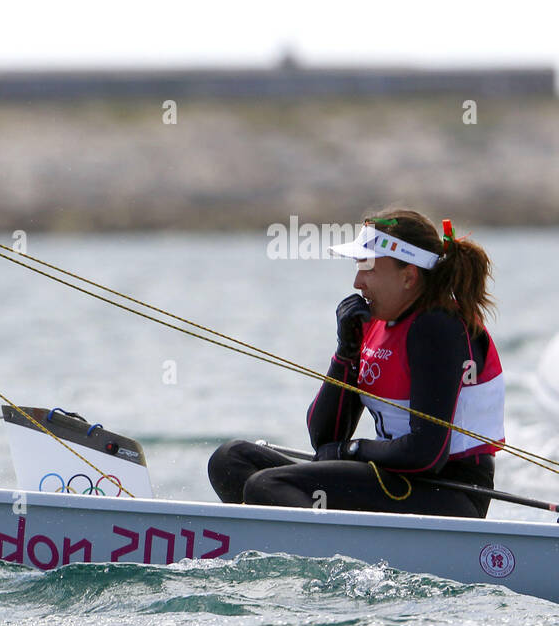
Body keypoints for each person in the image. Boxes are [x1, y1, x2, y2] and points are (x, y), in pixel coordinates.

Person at [208, 209, 504, 518]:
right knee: (230, 461)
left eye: (368, 268)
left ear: (408, 276)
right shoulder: (378, 323)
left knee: (265, 486)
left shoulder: (438, 327)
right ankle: (288, 540)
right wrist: (345, 354)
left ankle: (326, 555)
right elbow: (325, 439)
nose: (357, 282)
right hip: (398, 479)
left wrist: (351, 452)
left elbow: (426, 455)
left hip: (449, 494)